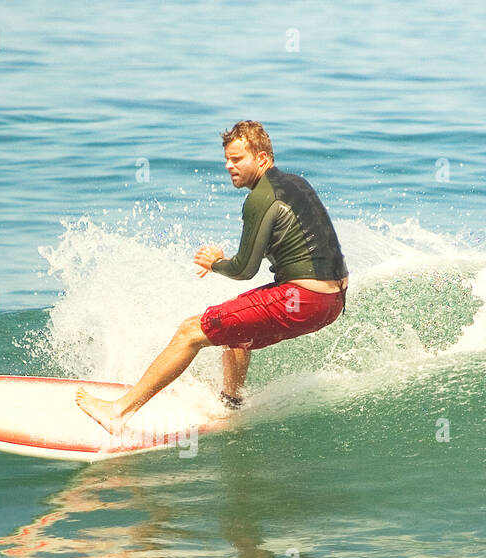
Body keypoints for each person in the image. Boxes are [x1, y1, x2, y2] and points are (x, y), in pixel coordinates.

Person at [76, 120, 349, 435]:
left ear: (262, 159)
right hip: (331, 301)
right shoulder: (296, 183)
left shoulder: (261, 199)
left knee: (190, 331)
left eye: (237, 159)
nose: (228, 166)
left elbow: (244, 270)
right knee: (235, 327)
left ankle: (118, 411)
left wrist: (217, 262)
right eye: (227, 159)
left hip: (303, 299)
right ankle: (230, 404)